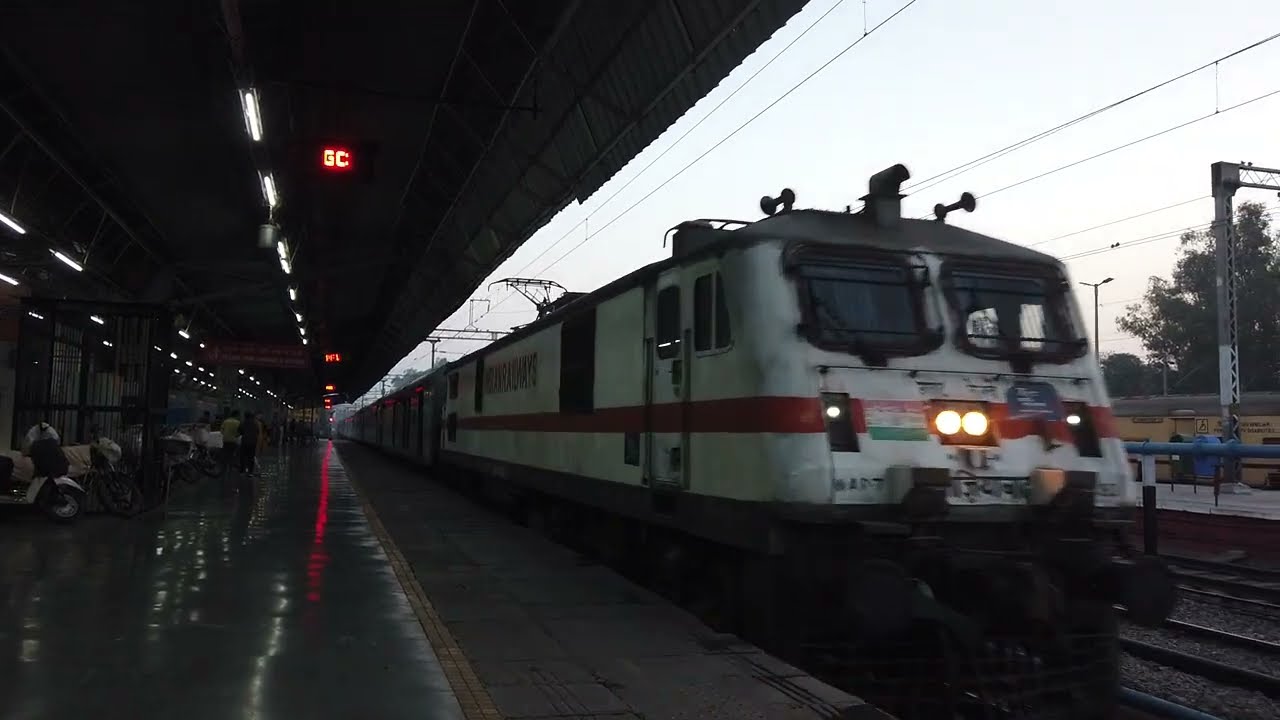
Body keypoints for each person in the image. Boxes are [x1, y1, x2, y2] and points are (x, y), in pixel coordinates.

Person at [239, 411, 260, 476]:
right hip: (253, 442)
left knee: (243, 456)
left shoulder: (243, 423)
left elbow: (240, 431)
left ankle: (242, 471)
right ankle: (250, 472)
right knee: (251, 457)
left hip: (245, 442)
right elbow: (257, 431)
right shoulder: (255, 423)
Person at [221, 410, 241, 475]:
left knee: (225, 453)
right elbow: (239, 432)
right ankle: (230, 468)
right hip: (233, 440)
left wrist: (225, 435)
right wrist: (236, 435)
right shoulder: (238, 422)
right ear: (236, 415)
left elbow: (221, 430)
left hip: (225, 440)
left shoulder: (226, 421)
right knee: (233, 454)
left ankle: (224, 467)